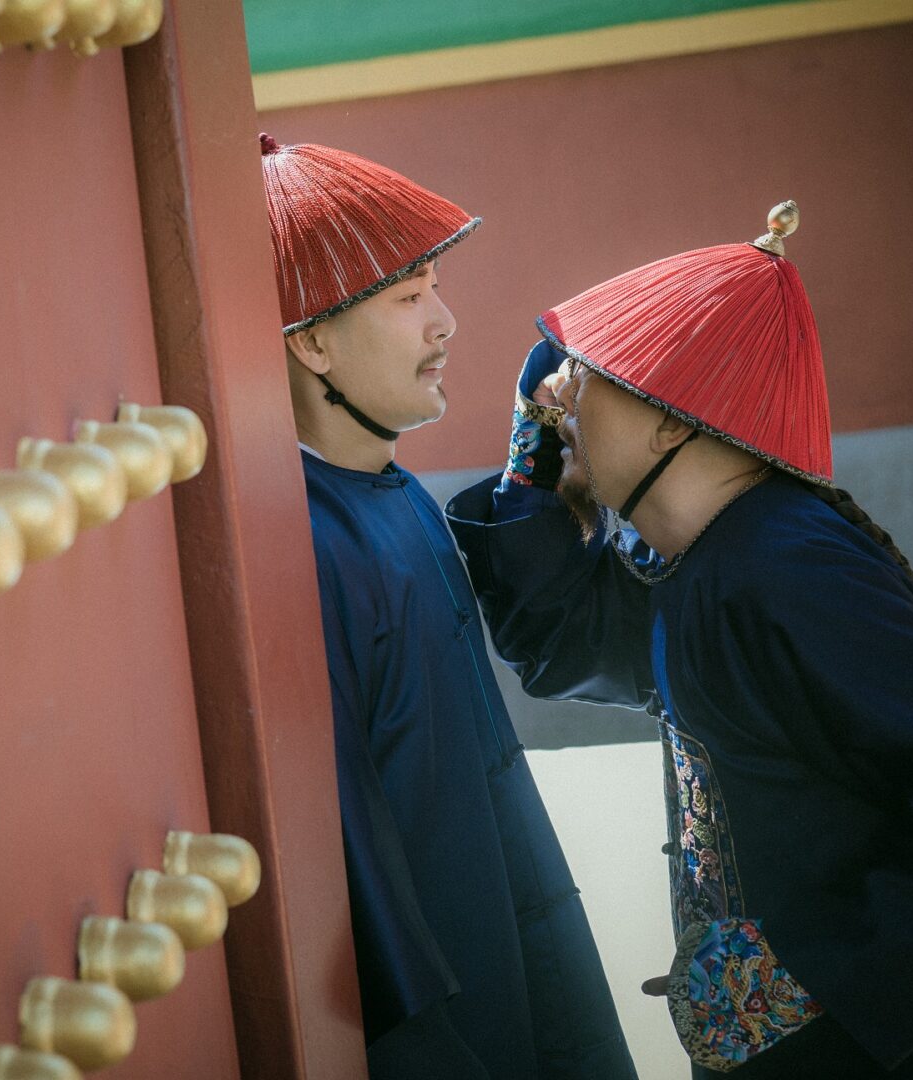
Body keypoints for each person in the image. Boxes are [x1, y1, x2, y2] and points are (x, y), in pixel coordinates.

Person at [447, 203, 913, 1077]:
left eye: (586, 376)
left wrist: (803, 973)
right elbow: (563, 646)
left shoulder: (788, 568)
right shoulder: (696, 559)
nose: (559, 396)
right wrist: (531, 470)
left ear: (674, 419)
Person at [259, 132, 637, 1080]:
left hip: (517, 940)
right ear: (310, 342)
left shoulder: (396, 495)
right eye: (408, 299)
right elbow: (345, 842)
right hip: (446, 1016)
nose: (446, 323)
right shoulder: (302, 546)